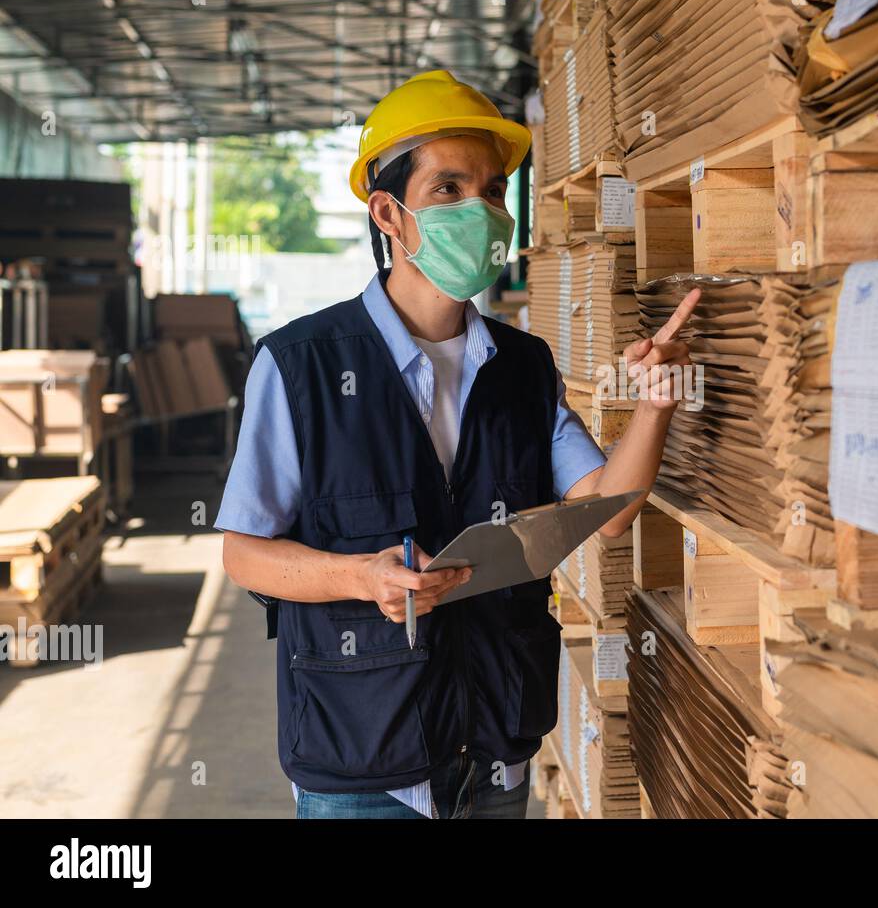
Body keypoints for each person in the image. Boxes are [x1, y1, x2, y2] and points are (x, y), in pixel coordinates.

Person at [217, 70, 699, 819]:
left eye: (494, 190)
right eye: (449, 189)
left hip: (497, 746)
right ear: (388, 212)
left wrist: (656, 402)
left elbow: (606, 510)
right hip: (363, 758)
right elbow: (244, 552)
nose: (481, 211)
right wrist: (359, 578)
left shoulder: (523, 366)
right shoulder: (300, 365)